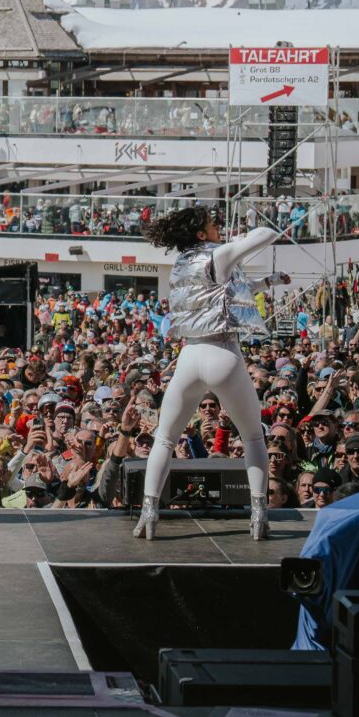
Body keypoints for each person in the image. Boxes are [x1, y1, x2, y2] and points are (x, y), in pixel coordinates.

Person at [133, 204, 284, 541]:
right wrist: (256, 222)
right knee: (253, 437)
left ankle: (149, 512)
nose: (219, 228)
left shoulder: (182, 264)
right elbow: (267, 235)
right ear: (201, 234)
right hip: (222, 353)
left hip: (189, 356)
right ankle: (259, 517)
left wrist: (267, 282)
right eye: (212, 224)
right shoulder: (218, 256)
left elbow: (224, 296)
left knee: (165, 438)